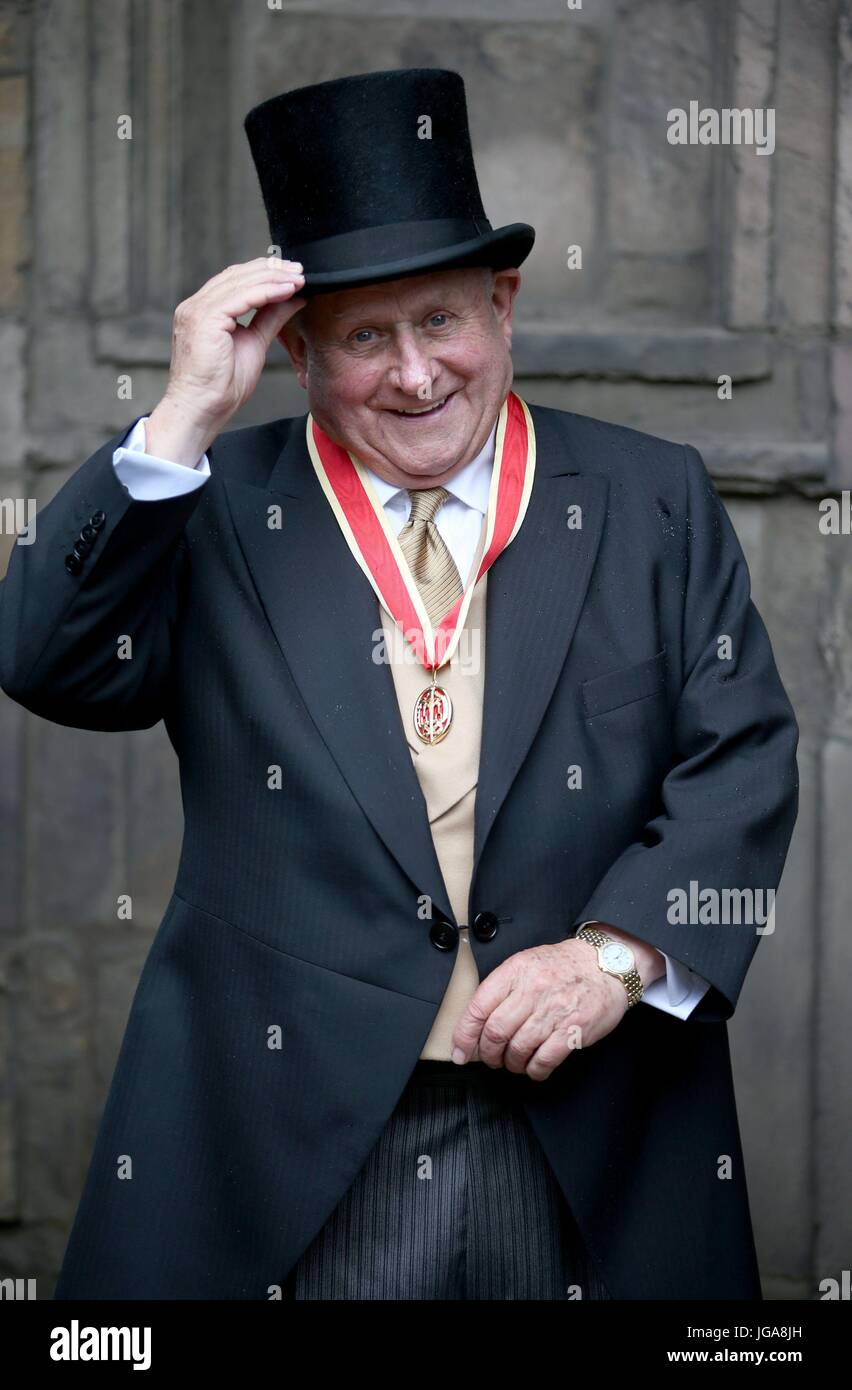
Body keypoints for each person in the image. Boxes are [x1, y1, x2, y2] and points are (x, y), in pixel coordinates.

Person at [0, 68, 798, 1301]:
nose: (417, 374)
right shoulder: (213, 509)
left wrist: (617, 958)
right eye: (365, 337)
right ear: (297, 350)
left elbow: (741, 759)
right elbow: (46, 658)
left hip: (596, 1133)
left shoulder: (654, 497)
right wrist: (175, 422)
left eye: (443, 321)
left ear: (506, 303)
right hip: (296, 1145)